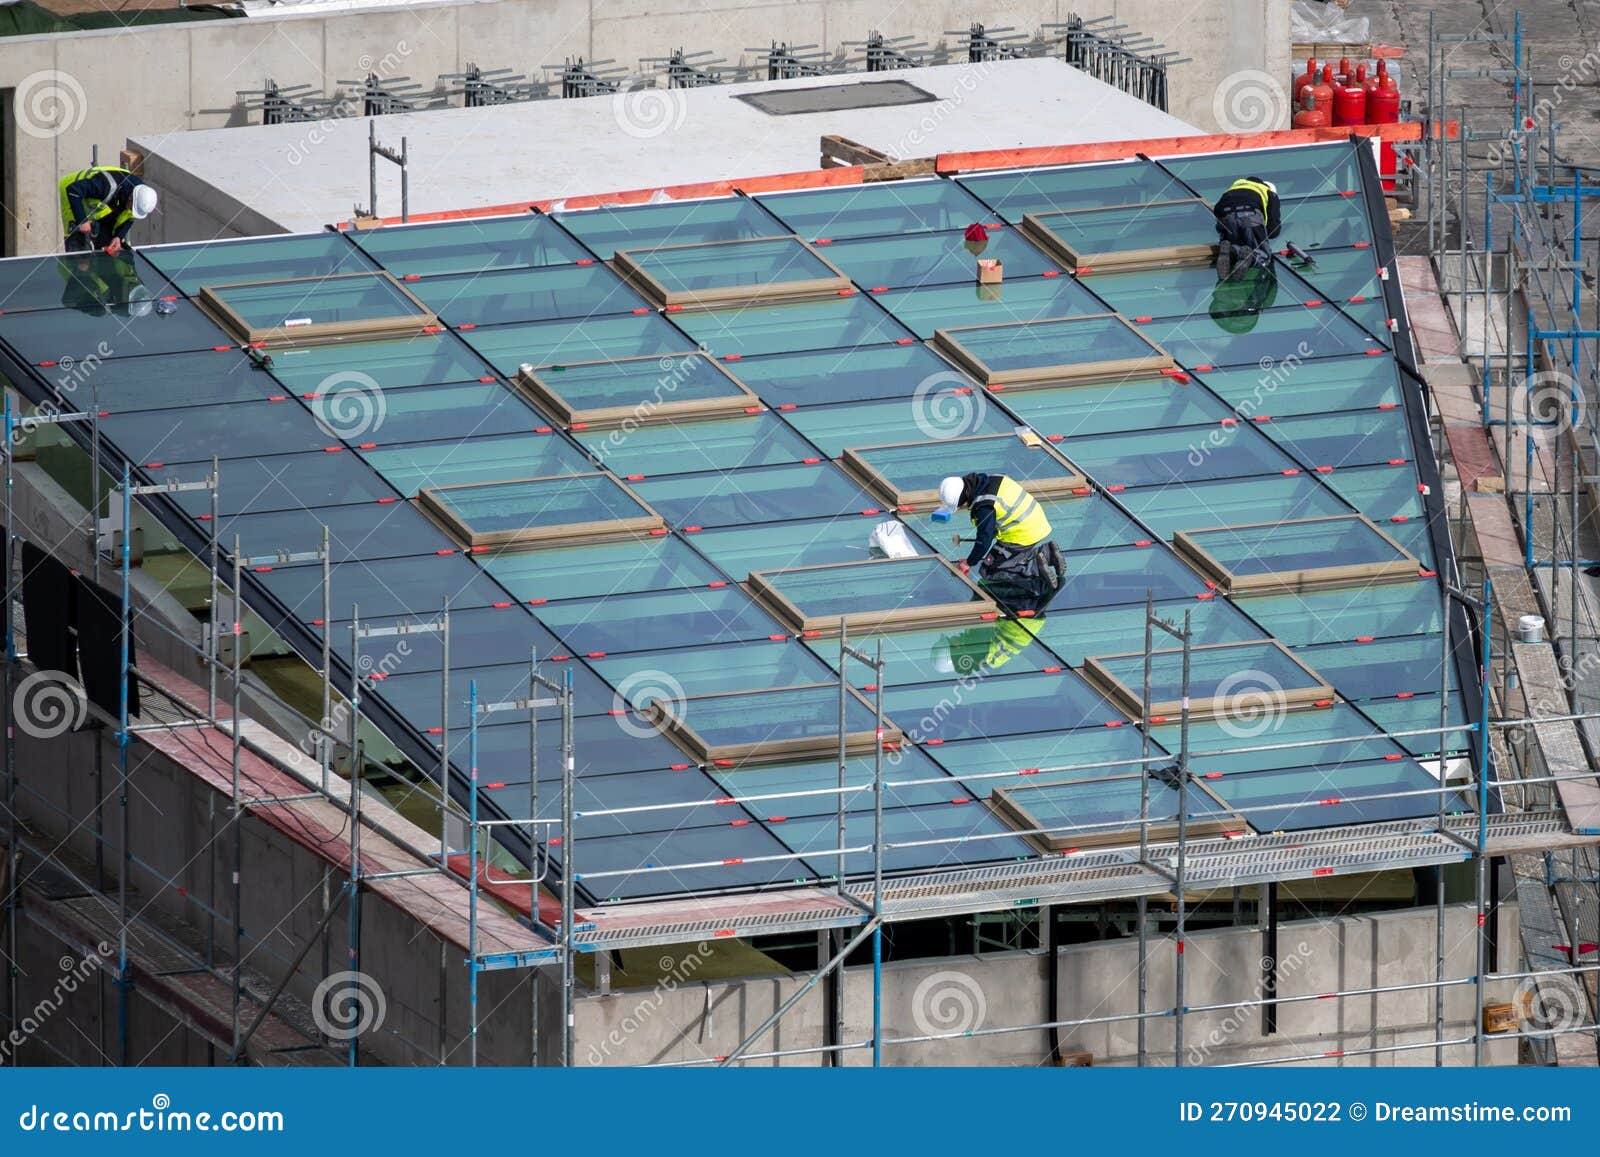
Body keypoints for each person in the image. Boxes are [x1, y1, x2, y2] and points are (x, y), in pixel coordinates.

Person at [937, 472, 1064, 610]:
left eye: (960, 505)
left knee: (991, 571)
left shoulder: (983, 507)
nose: (962, 508)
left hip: (1021, 533)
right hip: (1035, 521)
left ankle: (1034, 565)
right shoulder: (990, 480)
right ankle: (1047, 553)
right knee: (1001, 558)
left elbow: (984, 540)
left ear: (965, 497)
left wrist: (969, 562)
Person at [59, 166, 158, 256]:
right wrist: (82, 220)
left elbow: (129, 217)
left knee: (105, 244)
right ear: (131, 198)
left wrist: (118, 237)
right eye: (132, 208)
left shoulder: (140, 195)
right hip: (74, 197)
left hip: (103, 209)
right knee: (80, 259)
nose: (131, 211)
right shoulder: (105, 186)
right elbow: (73, 190)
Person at [1213, 175, 1281, 281]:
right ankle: (1251, 256)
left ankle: (1232, 251)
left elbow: (1217, 209)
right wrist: (1262, 233)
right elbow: (1274, 230)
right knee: (1264, 255)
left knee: (1237, 243)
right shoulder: (1269, 193)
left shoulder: (1235, 187)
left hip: (1227, 217)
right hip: (1250, 216)